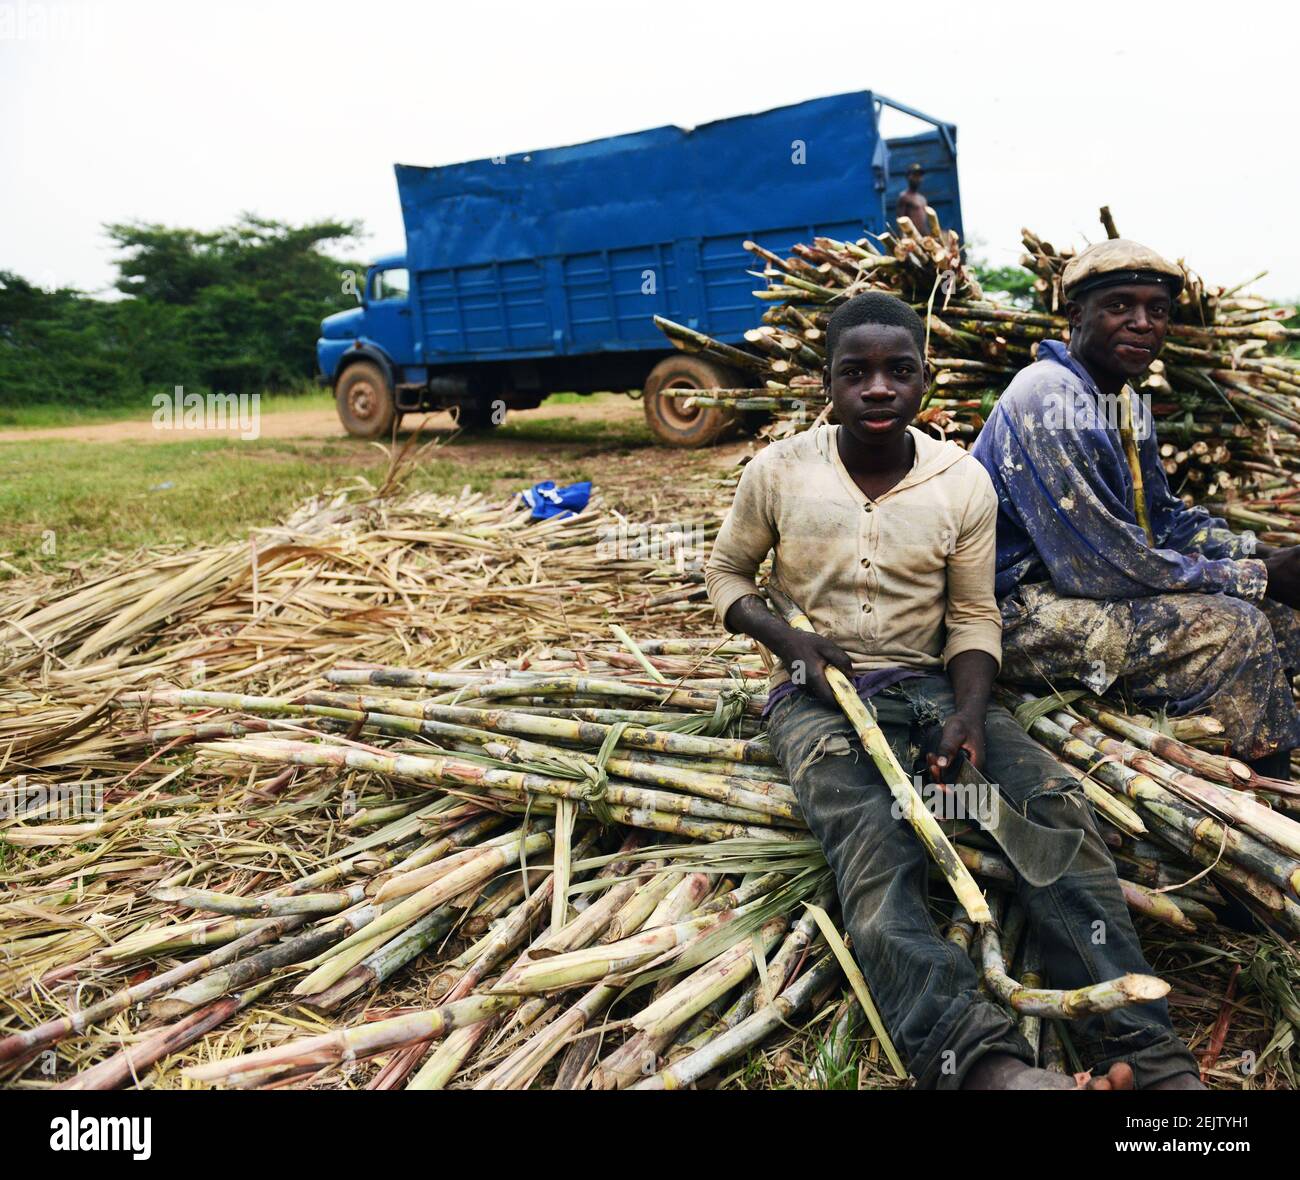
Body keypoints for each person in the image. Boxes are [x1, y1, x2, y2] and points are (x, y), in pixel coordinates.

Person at [705, 290, 1203, 1089]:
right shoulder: (780, 472)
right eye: (855, 372)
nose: (877, 389)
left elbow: (974, 615)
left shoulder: (960, 481)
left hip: (934, 687)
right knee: (875, 842)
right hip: (815, 698)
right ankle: (982, 1064)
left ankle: (1145, 1055)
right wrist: (792, 645)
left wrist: (969, 716)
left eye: (898, 372)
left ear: (924, 382)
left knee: (1047, 817)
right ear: (826, 382)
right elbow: (726, 572)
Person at [971, 239, 1300, 777]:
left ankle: (1239, 744)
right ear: (1076, 315)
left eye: (1158, 310)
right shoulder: (1049, 399)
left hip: (1073, 586)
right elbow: (1102, 569)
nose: (1143, 323)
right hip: (1012, 613)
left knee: (1280, 613)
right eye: (1120, 306)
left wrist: (1263, 552)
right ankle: (1273, 794)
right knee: (1235, 626)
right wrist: (1257, 576)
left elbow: (1166, 522)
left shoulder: (1122, 401)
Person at [895, 163, 928, 230]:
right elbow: (900, 223)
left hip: (923, 238)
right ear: (908, 177)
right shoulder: (904, 197)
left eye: (919, 176)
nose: (918, 179)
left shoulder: (923, 199)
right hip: (911, 238)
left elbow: (924, 224)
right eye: (915, 175)